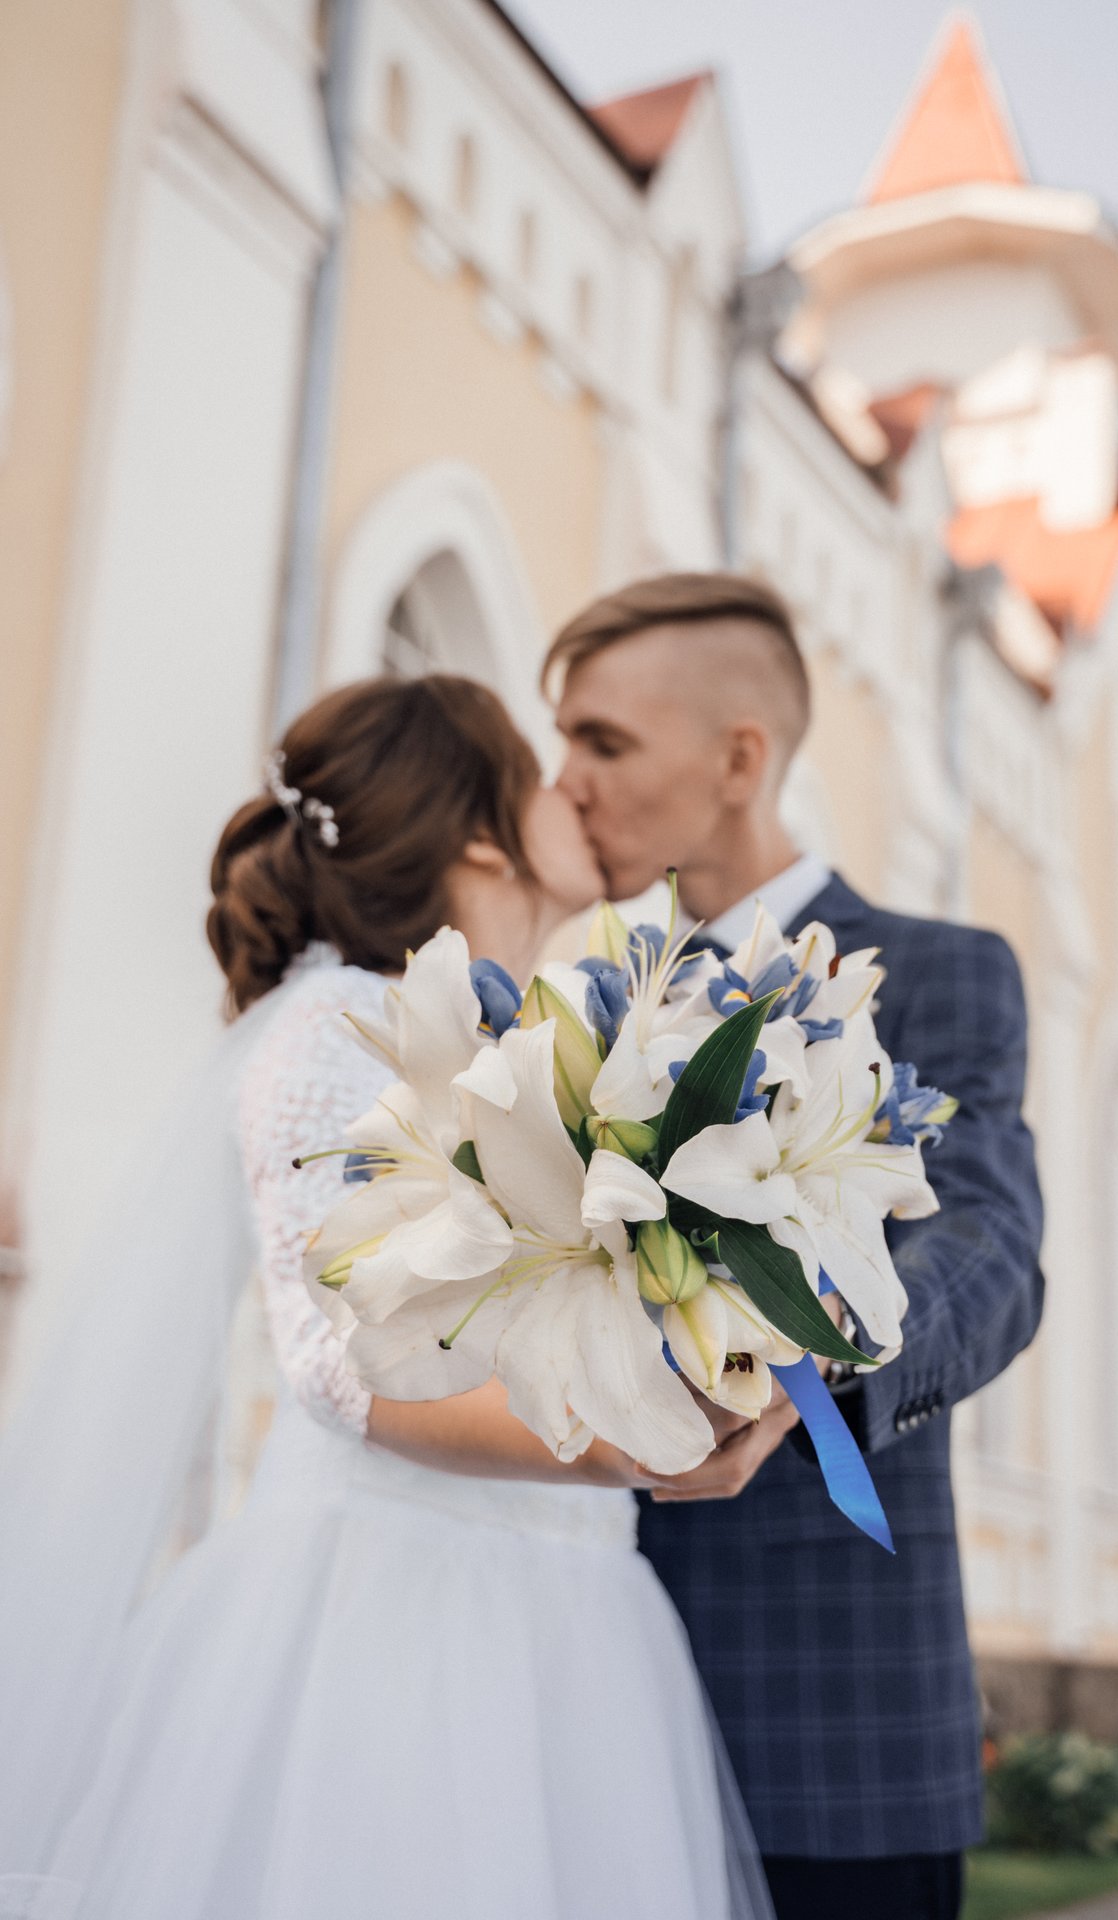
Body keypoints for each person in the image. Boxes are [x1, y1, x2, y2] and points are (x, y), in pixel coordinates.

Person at [0, 674, 774, 1920]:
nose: (573, 788)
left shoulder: (544, 1040)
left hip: (568, 1624)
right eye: (539, 770)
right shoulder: (339, 1027)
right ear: (479, 833)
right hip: (398, 1633)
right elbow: (338, 1360)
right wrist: (626, 1440)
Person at [548, 572, 1045, 1920]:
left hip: (830, 1708)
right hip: (567, 1691)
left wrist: (806, 1377)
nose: (568, 781)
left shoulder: (941, 969)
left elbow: (992, 1250)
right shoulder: (562, 997)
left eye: (603, 741)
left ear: (738, 759)